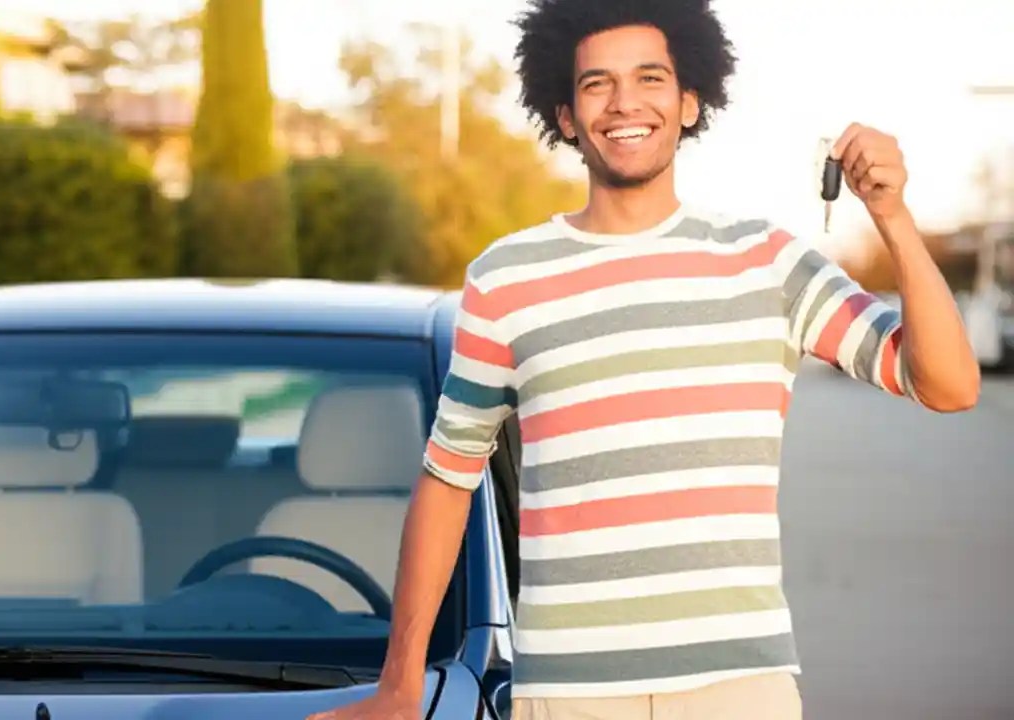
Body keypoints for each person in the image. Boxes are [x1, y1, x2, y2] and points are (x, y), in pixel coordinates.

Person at [309, 0, 980, 718]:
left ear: (690, 102)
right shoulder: (505, 280)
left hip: (739, 691)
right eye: (596, 83)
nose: (625, 102)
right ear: (566, 116)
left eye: (650, 78)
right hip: (568, 696)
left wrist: (891, 215)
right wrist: (400, 686)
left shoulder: (768, 261)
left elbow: (948, 384)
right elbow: (447, 480)